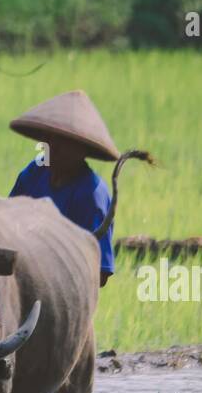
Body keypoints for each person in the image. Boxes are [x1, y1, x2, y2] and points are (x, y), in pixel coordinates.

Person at [8, 90, 120, 287]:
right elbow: (5, 222)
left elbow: (99, 274)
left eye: (63, 142)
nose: (54, 147)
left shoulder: (91, 196)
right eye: (49, 139)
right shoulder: (34, 173)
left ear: (82, 149)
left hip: (64, 295)